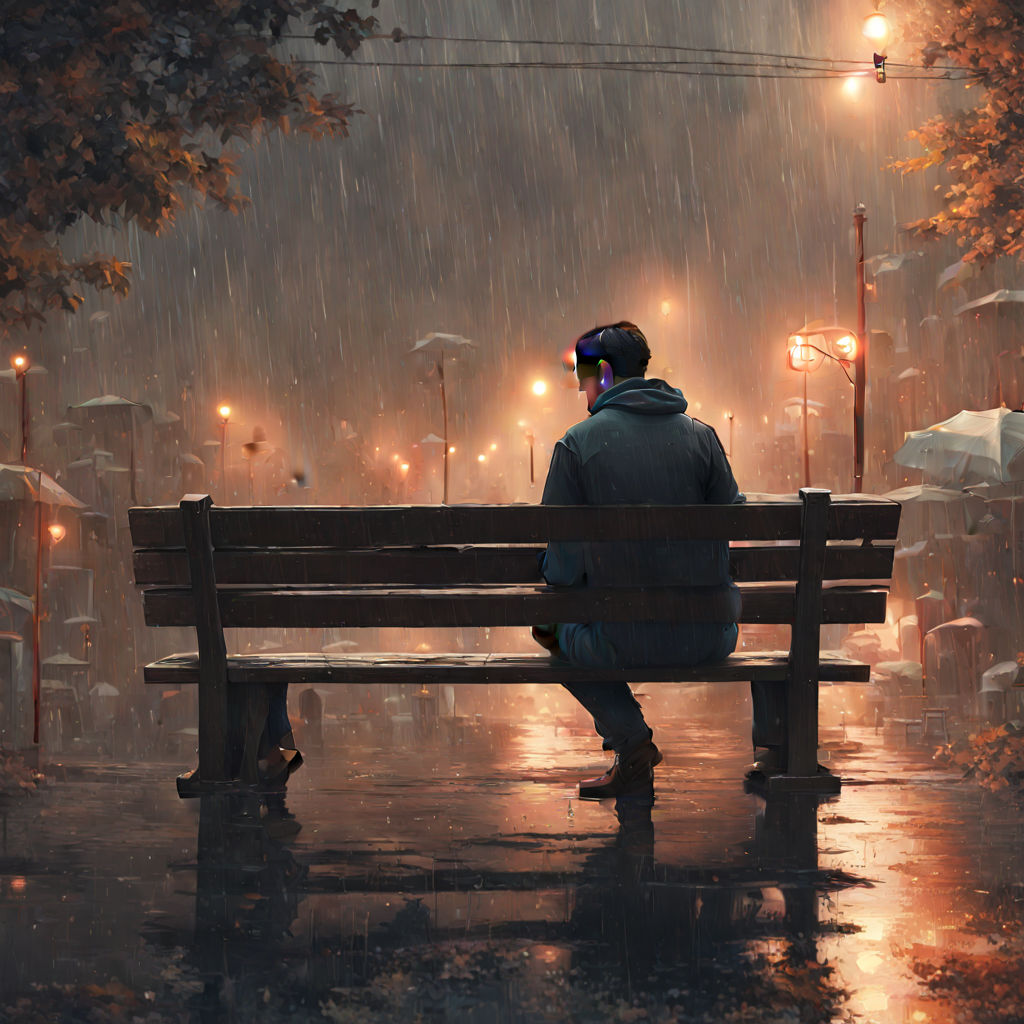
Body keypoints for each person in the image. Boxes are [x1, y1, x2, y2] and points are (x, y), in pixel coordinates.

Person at [532, 321, 779, 798]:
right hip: (707, 635)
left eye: (582, 375)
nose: (580, 387)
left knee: (549, 629)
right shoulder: (702, 437)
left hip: (618, 641)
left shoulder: (576, 444)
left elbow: (560, 570)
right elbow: (735, 522)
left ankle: (632, 741)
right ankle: (780, 752)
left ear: (603, 373)